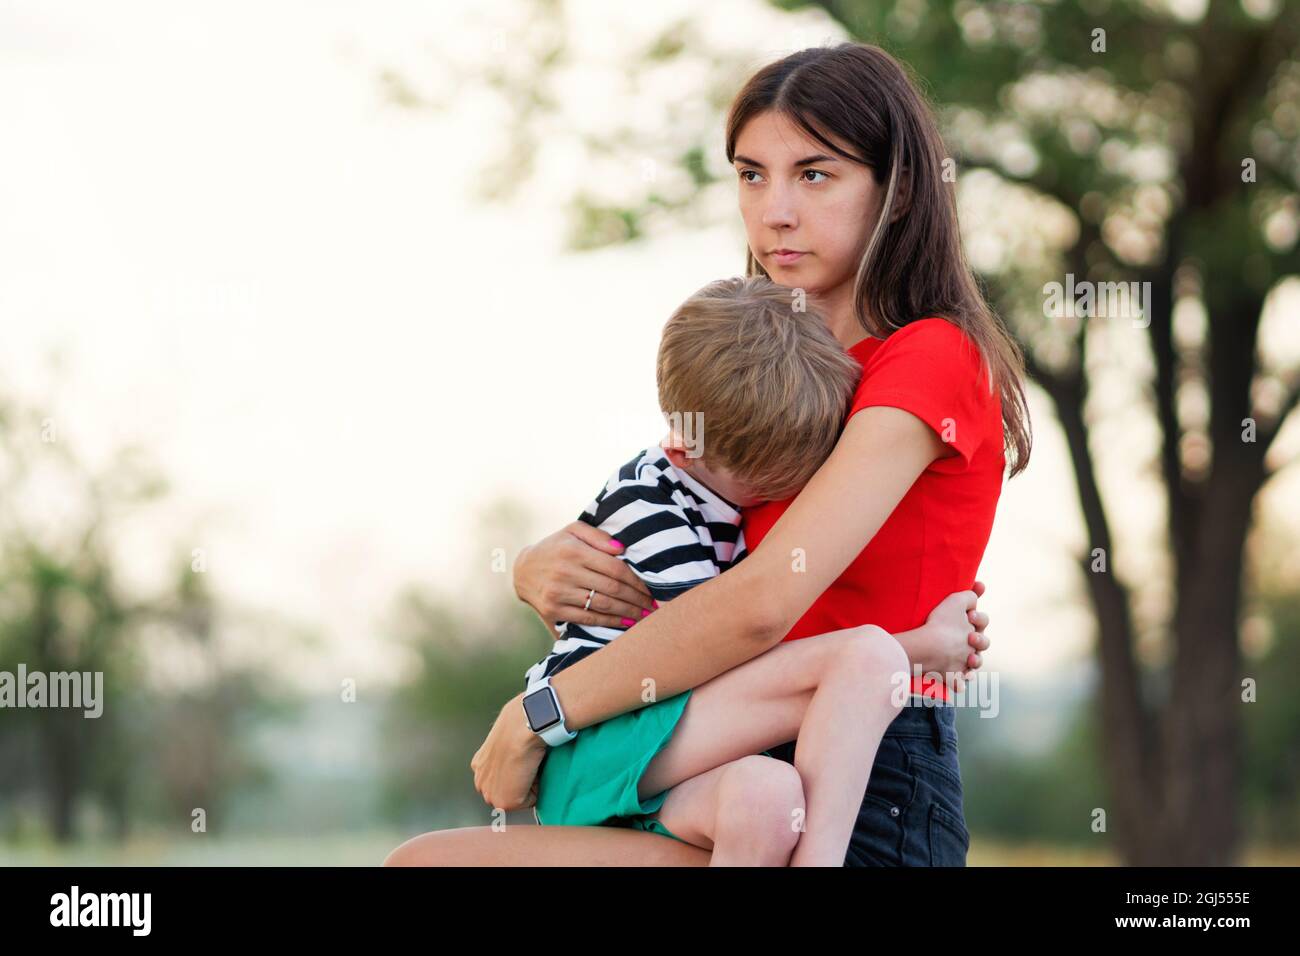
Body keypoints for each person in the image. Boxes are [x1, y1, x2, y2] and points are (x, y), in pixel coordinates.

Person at [386, 41, 1030, 867]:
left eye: (815, 174)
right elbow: (673, 505)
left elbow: (759, 604)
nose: (775, 211)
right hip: (707, 762)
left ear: (899, 192)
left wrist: (540, 713)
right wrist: (548, 564)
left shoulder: (929, 357)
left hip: (859, 779)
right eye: (751, 174)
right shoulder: (770, 368)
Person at [521, 275, 979, 865]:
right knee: (868, 659)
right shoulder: (650, 505)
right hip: (597, 749)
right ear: (687, 448)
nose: (771, 498)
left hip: (658, 771)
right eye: (762, 486)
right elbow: (713, 645)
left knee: (767, 799)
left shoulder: (706, 482)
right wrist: (921, 645)